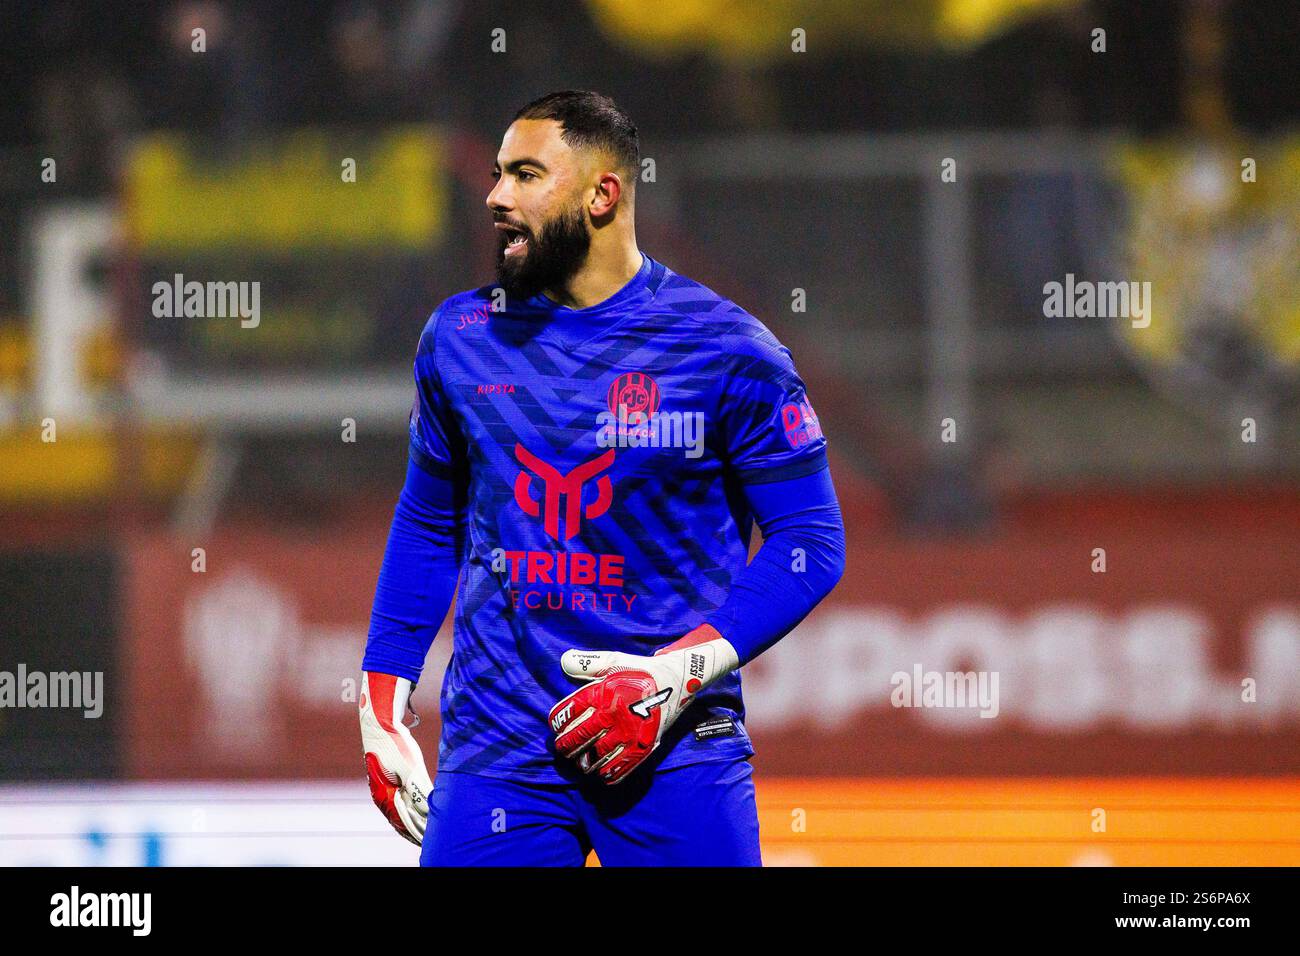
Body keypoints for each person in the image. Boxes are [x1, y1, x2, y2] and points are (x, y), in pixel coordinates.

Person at [359, 90, 845, 866]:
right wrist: (381, 699)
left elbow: (810, 542)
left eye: (524, 175)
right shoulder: (458, 338)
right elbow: (428, 523)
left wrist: (673, 676)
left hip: (678, 745)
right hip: (500, 745)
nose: (494, 196)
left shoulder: (726, 349)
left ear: (602, 194)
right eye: (495, 175)